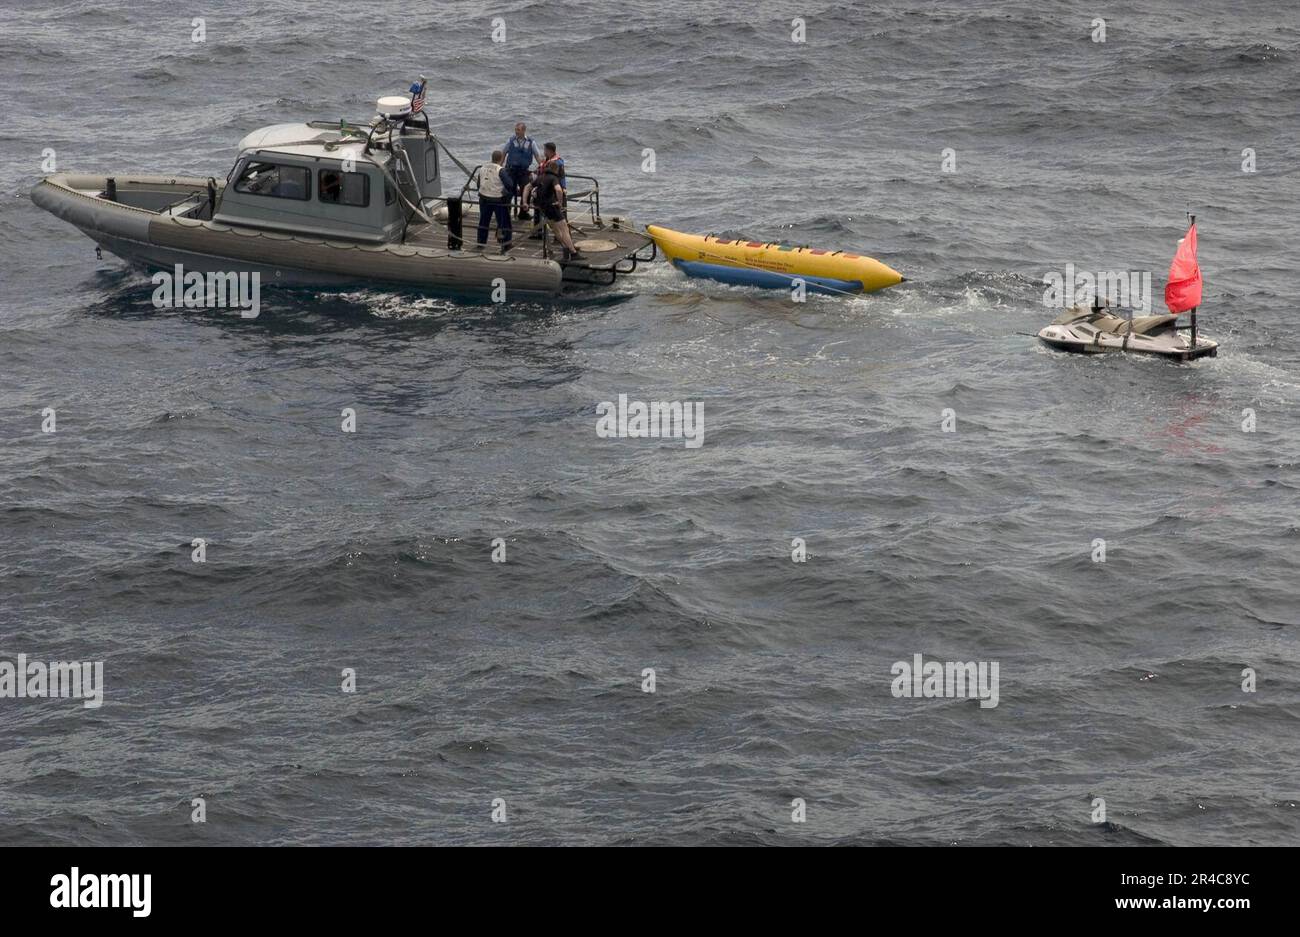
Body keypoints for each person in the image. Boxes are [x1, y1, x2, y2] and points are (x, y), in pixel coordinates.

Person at [532, 161, 582, 261]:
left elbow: (528, 187)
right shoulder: (554, 178)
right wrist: (559, 202)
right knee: (564, 228)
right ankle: (573, 253)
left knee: (556, 229)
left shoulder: (541, 176)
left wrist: (525, 201)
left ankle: (565, 247)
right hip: (552, 207)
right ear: (556, 169)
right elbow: (558, 190)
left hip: (543, 207)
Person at [472, 150, 515, 251]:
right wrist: (505, 192)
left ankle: (481, 243)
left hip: (483, 198)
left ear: (492, 158)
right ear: (501, 159)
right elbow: (509, 184)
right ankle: (506, 243)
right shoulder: (500, 170)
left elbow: (479, 184)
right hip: (497, 200)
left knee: (483, 221)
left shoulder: (482, 168)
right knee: (504, 222)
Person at [522, 142, 567, 228]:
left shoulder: (558, 162)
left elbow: (562, 176)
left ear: (549, 151)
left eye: (545, 150)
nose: (544, 152)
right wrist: (533, 174)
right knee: (538, 211)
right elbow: (539, 170)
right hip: (542, 189)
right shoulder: (546, 160)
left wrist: (563, 187)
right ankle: (538, 232)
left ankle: (560, 236)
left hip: (553, 190)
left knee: (559, 217)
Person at [502, 123, 541, 219]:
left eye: (518, 130)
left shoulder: (531, 142)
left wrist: (542, 166)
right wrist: (499, 166)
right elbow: (503, 152)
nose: (516, 132)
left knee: (527, 189)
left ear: (524, 130)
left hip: (523, 171)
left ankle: (523, 213)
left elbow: (537, 156)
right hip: (511, 170)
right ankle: (506, 212)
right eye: (515, 130)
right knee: (507, 191)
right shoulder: (511, 140)